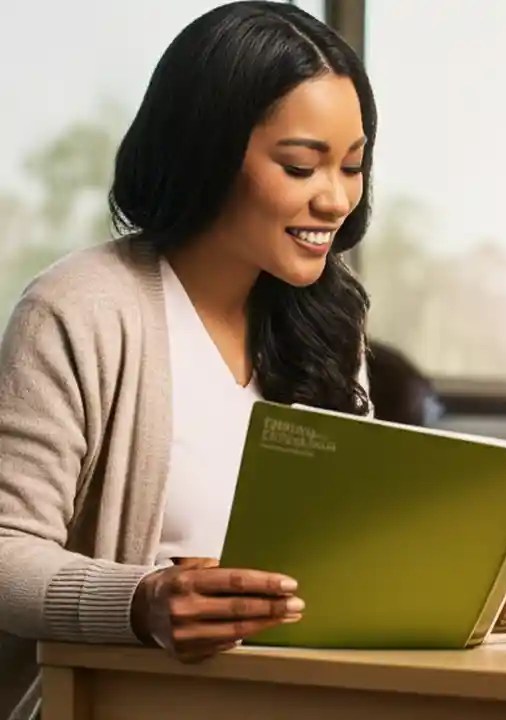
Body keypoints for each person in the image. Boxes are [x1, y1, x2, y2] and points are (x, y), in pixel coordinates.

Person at [0, 3, 377, 717]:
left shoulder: (330, 324)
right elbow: (6, 550)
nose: (335, 199)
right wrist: (142, 603)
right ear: (207, 151)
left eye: (353, 166)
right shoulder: (79, 309)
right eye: (301, 165)